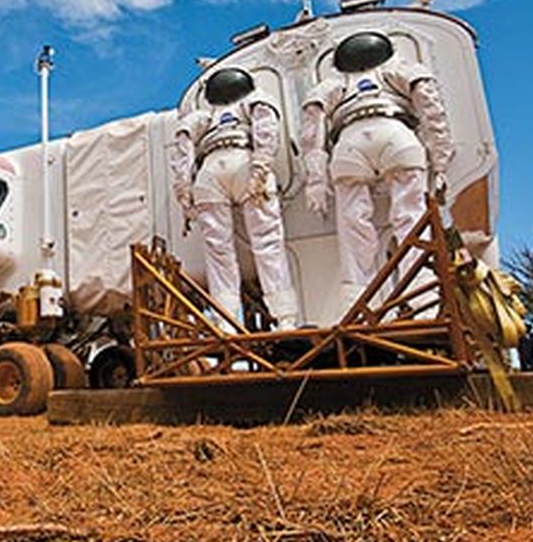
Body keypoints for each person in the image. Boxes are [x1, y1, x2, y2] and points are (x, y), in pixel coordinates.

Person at [300, 31, 454, 316]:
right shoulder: (401, 70)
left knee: (353, 226)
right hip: (397, 135)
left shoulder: (331, 86)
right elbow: (431, 109)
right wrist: (440, 160)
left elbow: (312, 132)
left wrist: (316, 180)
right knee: (411, 218)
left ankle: (361, 305)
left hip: (349, 144)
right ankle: (423, 302)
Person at [170, 67, 300, 331]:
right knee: (267, 243)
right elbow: (266, 131)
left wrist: (184, 192)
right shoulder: (255, 102)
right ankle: (285, 317)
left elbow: (182, 149)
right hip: (244, 161)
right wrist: (261, 167)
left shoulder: (201, 118)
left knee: (219, 253)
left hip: (210, 172)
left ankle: (226, 323)